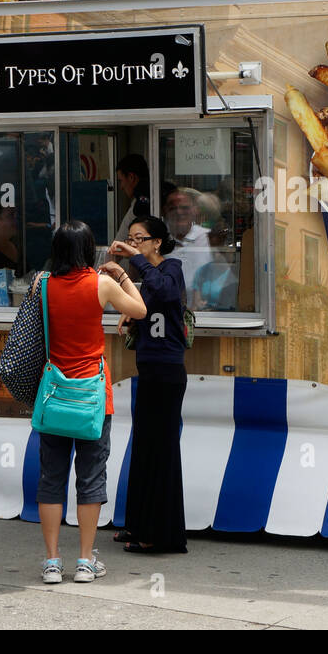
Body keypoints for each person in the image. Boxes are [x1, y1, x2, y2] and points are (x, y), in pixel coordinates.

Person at [36, 220, 146, 584]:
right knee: (91, 477)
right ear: (87, 249)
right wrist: (121, 275)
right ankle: (85, 561)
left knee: (51, 478)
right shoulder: (101, 284)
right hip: (93, 397)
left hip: (54, 395)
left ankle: (52, 562)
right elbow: (140, 310)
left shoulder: (42, 284)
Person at [107, 216, 189, 553]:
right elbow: (146, 307)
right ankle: (138, 523)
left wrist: (132, 262)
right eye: (130, 238)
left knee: (162, 451)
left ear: (157, 242)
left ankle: (161, 535)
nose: (133, 244)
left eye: (139, 238)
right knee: (143, 447)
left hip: (168, 373)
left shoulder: (171, 269)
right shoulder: (146, 278)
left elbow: (165, 291)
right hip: (148, 369)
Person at [163, 188, 214, 304]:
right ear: (165, 211)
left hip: (204, 308)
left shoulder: (207, 237)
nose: (179, 212)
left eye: (184, 207)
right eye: (173, 208)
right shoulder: (158, 240)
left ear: (195, 210)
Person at [113, 154, 153, 244]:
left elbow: (119, 245)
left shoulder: (139, 206)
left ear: (131, 177)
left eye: (121, 181)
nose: (121, 187)